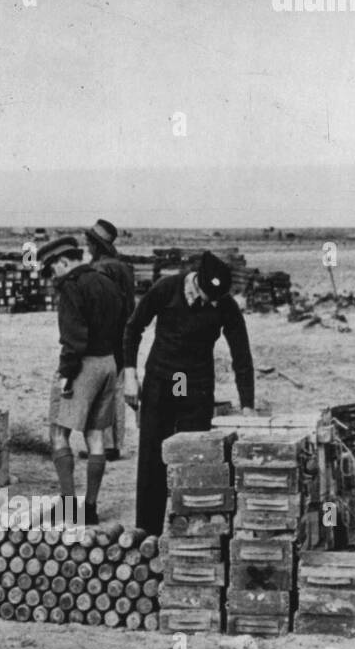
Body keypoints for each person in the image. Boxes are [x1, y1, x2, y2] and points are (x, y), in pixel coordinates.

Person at [122, 250, 256, 535]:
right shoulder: (166, 289)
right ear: (197, 282)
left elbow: (241, 355)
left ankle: (192, 532)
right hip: (162, 379)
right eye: (207, 297)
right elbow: (133, 329)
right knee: (152, 458)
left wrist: (247, 406)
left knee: (194, 456)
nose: (210, 303)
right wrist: (130, 374)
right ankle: (147, 531)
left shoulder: (225, 305)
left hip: (193, 385)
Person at [39, 235, 126, 526]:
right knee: (96, 436)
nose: (54, 277)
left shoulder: (72, 287)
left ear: (63, 262)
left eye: (52, 270)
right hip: (110, 364)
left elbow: (73, 339)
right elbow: (123, 328)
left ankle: (67, 509)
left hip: (84, 366)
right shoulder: (108, 282)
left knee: (58, 433)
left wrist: (66, 373)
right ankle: (89, 509)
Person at [84, 218, 134, 463]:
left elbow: (97, 308)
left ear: (97, 246)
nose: (87, 247)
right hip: (123, 338)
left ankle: (103, 446)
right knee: (117, 392)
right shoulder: (124, 268)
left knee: (101, 392)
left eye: (90, 243)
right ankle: (114, 445)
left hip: (103, 340)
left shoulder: (100, 270)